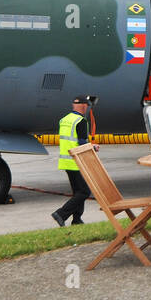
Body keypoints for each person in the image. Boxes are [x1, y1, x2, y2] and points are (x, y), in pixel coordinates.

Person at [52, 95, 98, 226]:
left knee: (77, 192)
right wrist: (93, 146)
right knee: (84, 192)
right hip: (77, 162)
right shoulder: (81, 121)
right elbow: (82, 143)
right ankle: (61, 214)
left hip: (66, 161)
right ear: (84, 106)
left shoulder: (64, 120)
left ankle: (77, 219)